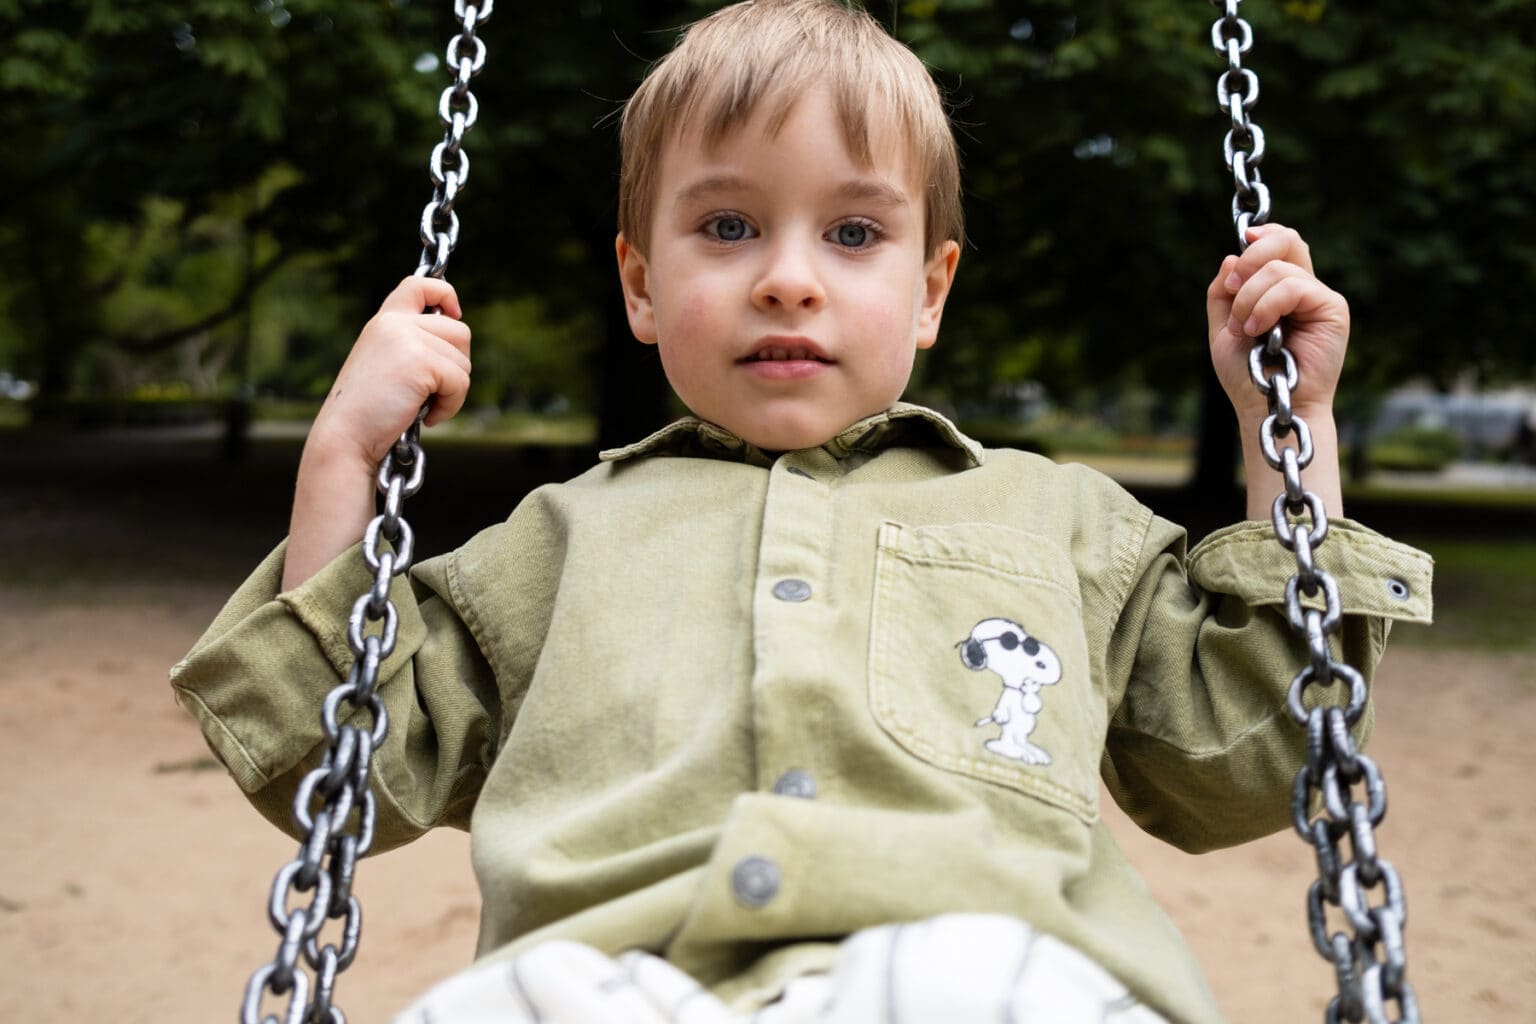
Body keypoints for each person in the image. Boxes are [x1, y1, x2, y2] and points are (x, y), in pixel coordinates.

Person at [170, 2, 1433, 1021]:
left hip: (976, 961)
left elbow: (1256, 752)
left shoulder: (1057, 519)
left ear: (930, 287)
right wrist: (346, 449)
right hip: (618, 972)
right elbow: (339, 761)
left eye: (851, 233)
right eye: (727, 226)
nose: (787, 279)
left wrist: (1295, 430)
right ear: (641, 282)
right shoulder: (549, 542)